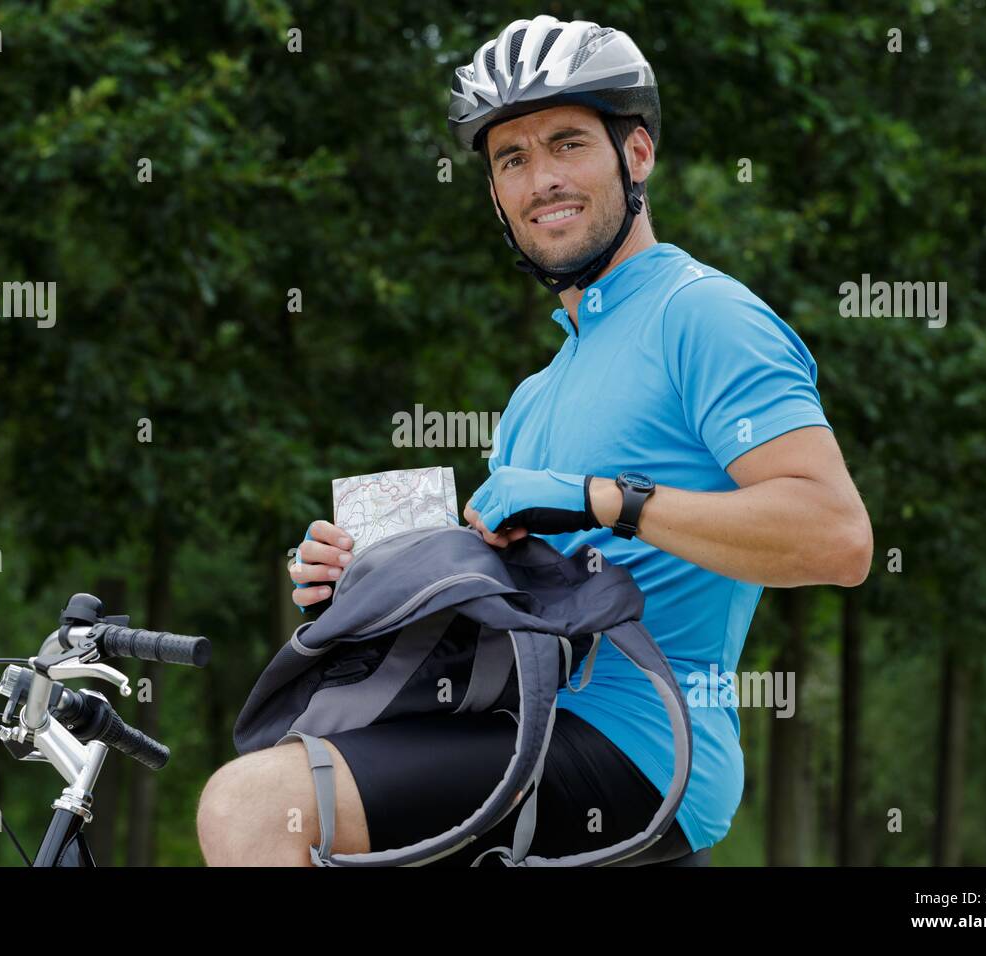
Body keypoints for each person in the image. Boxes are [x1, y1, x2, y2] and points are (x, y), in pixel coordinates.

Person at [197, 14, 872, 867]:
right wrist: (369, 581)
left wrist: (607, 502)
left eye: (566, 144)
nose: (541, 178)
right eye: (512, 159)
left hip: (642, 748)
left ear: (637, 156)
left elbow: (838, 539)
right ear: (494, 195)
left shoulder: (704, 315)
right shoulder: (535, 394)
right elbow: (525, 598)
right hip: (521, 721)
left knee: (255, 808)